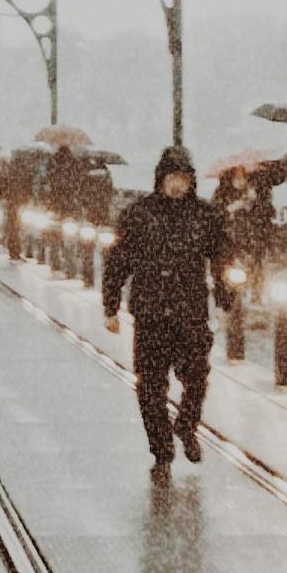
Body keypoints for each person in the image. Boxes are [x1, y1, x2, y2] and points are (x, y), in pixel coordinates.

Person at [101, 147, 229, 473]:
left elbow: (223, 258)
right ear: (160, 179)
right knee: (150, 386)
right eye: (172, 178)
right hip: (151, 313)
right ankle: (162, 450)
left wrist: (226, 299)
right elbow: (118, 260)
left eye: (183, 179)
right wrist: (111, 305)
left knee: (197, 377)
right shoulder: (139, 214)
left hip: (191, 312)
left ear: (191, 181)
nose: (177, 185)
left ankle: (186, 425)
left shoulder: (205, 216)